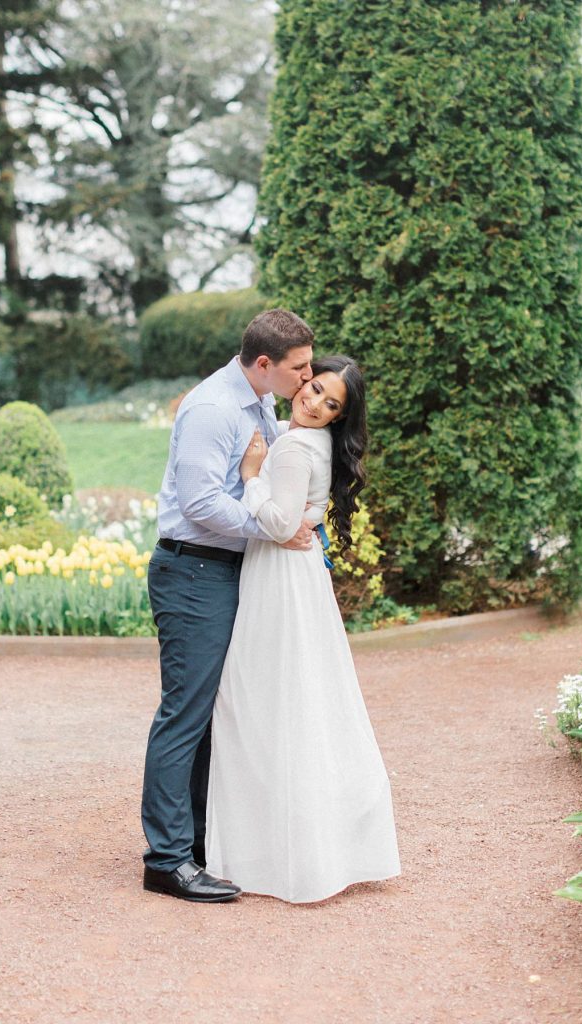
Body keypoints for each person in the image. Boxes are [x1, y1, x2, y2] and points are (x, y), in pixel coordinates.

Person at [206, 355, 401, 903]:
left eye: (329, 403)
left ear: (340, 416)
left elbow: (276, 523)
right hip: (297, 576)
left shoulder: (293, 447)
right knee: (302, 695)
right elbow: (295, 521)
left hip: (279, 580)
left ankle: (268, 850)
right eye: (314, 389)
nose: (313, 403)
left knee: (261, 700)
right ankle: (310, 841)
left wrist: (249, 477)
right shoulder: (309, 443)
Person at [141, 308, 316, 903]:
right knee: (186, 714)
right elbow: (199, 503)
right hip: (191, 571)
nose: (308, 376)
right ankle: (166, 860)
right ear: (264, 364)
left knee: (217, 715)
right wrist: (273, 530)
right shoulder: (215, 409)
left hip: (224, 570)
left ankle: (196, 844)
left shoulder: (258, 401)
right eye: (300, 367)